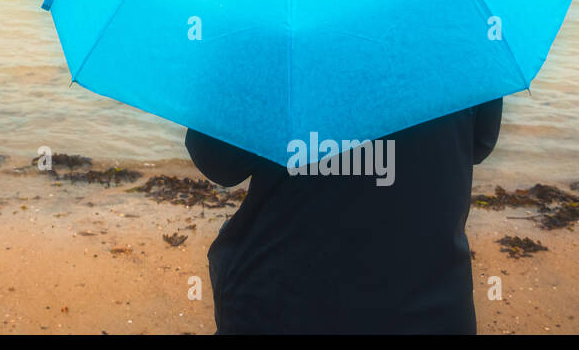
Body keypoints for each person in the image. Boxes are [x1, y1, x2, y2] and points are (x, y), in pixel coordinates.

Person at [185, 99, 503, 334]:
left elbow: (218, 161)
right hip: (432, 306)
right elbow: (479, 144)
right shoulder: (459, 29)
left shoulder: (274, 26)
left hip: (282, 307)